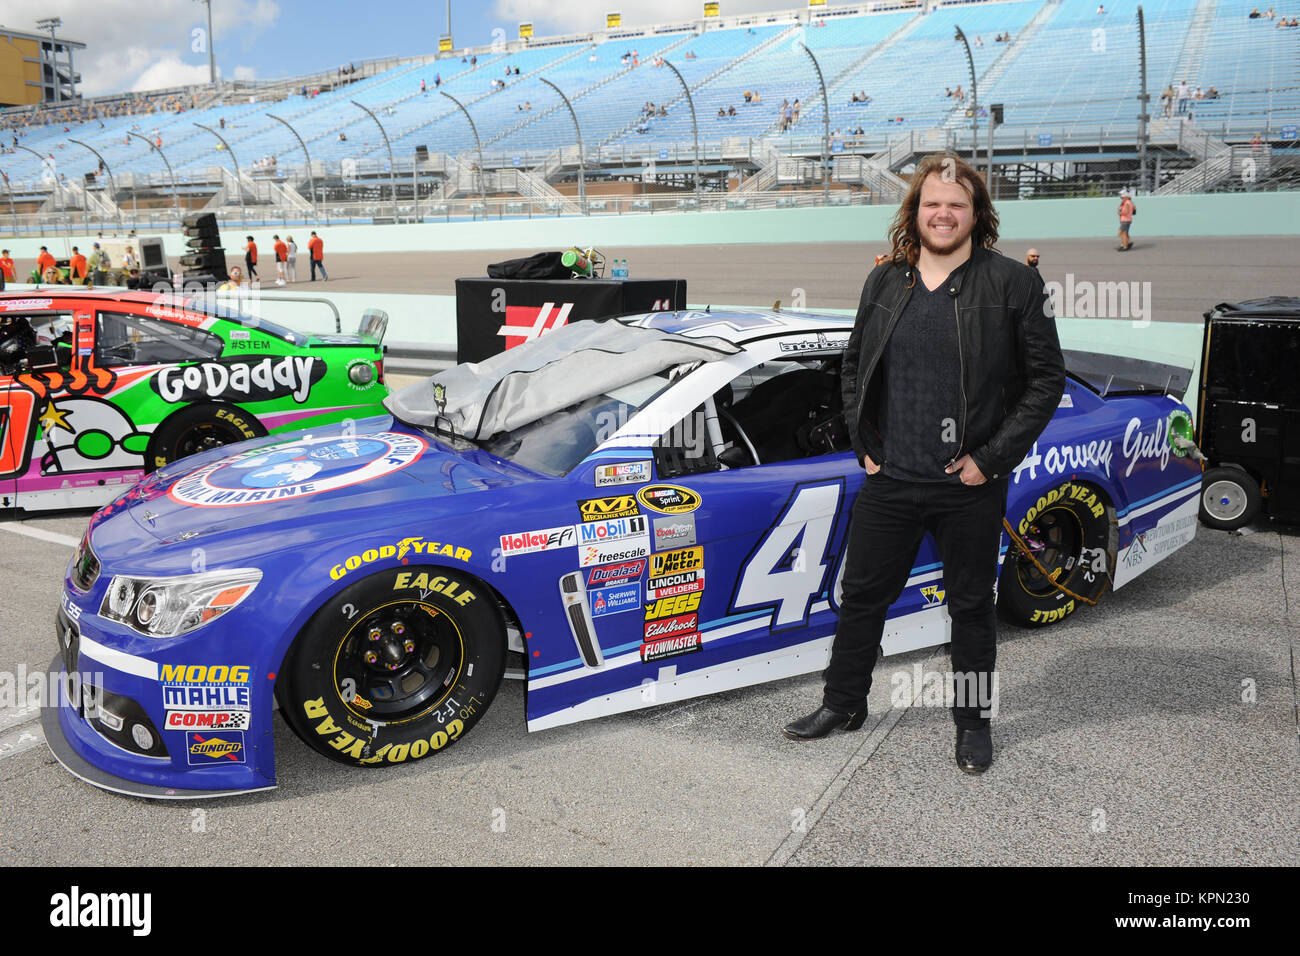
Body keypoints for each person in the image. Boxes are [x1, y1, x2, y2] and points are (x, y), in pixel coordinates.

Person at [782, 152, 1065, 776]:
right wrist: (864, 442)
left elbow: (1045, 383)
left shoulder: (1015, 285)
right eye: (932, 203)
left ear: (976, 213)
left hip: (968, 485)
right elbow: (854, 365)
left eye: (956, 204)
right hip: (891, 478)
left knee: (970, 607)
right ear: (915, 211)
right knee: (860, 600)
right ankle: (843, 704)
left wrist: (987, 462)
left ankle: (972, 724)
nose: (943, 214)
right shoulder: (885, 279)